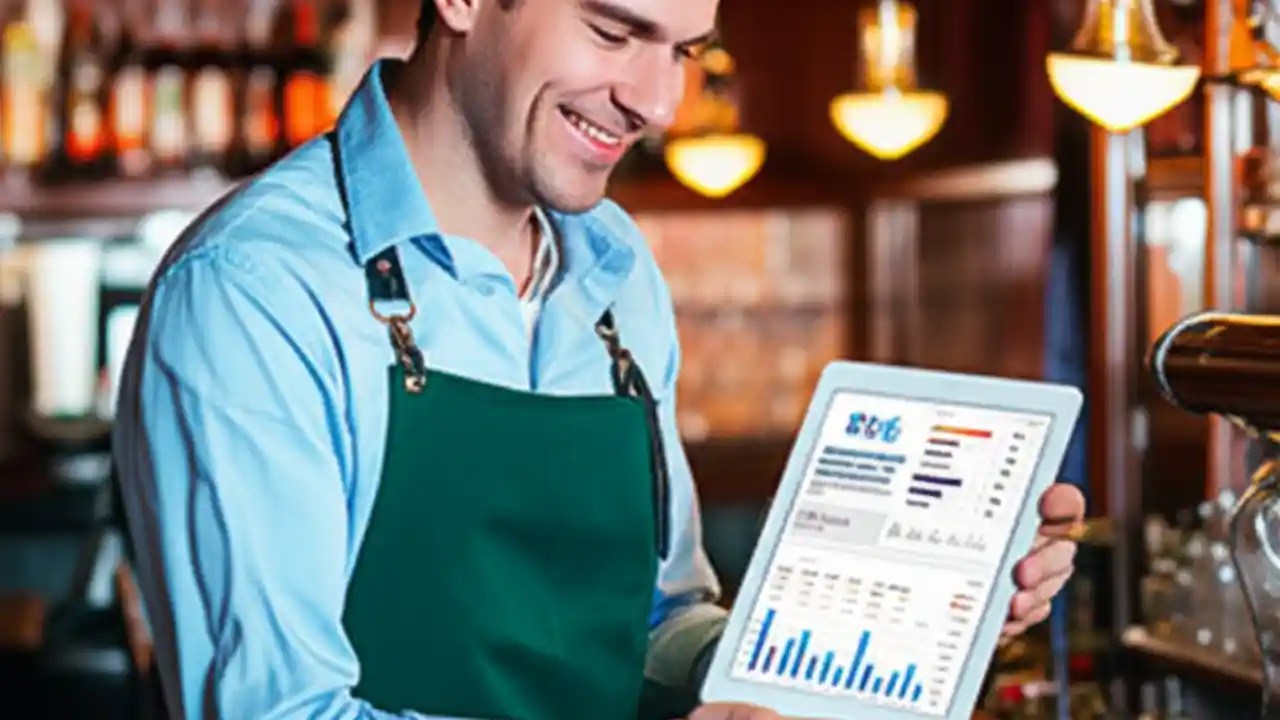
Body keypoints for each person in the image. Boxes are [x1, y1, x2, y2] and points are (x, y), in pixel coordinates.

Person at [112, 1, 1087, 718]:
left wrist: (889, 631)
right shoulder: (255, 289)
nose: (656, 102)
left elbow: (657, 626)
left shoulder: (615, 274)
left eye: (683, 52)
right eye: (612, 33)